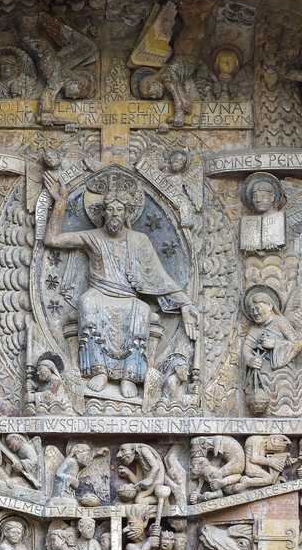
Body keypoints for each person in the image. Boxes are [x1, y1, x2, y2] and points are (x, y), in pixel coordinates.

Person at [42, 171, 196, 401]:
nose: (114, 214)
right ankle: (99, 371)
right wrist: (60, 203)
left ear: (127, 214)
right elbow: (52, 240)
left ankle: (129, 376)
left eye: (119, 209)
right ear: (102, 213)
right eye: (110, 209)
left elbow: (159, 276)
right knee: (87, 302)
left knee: (142, 310)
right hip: (100, 293)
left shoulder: (139, 240)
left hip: (127, 296)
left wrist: (184, 303)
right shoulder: (92, 237)